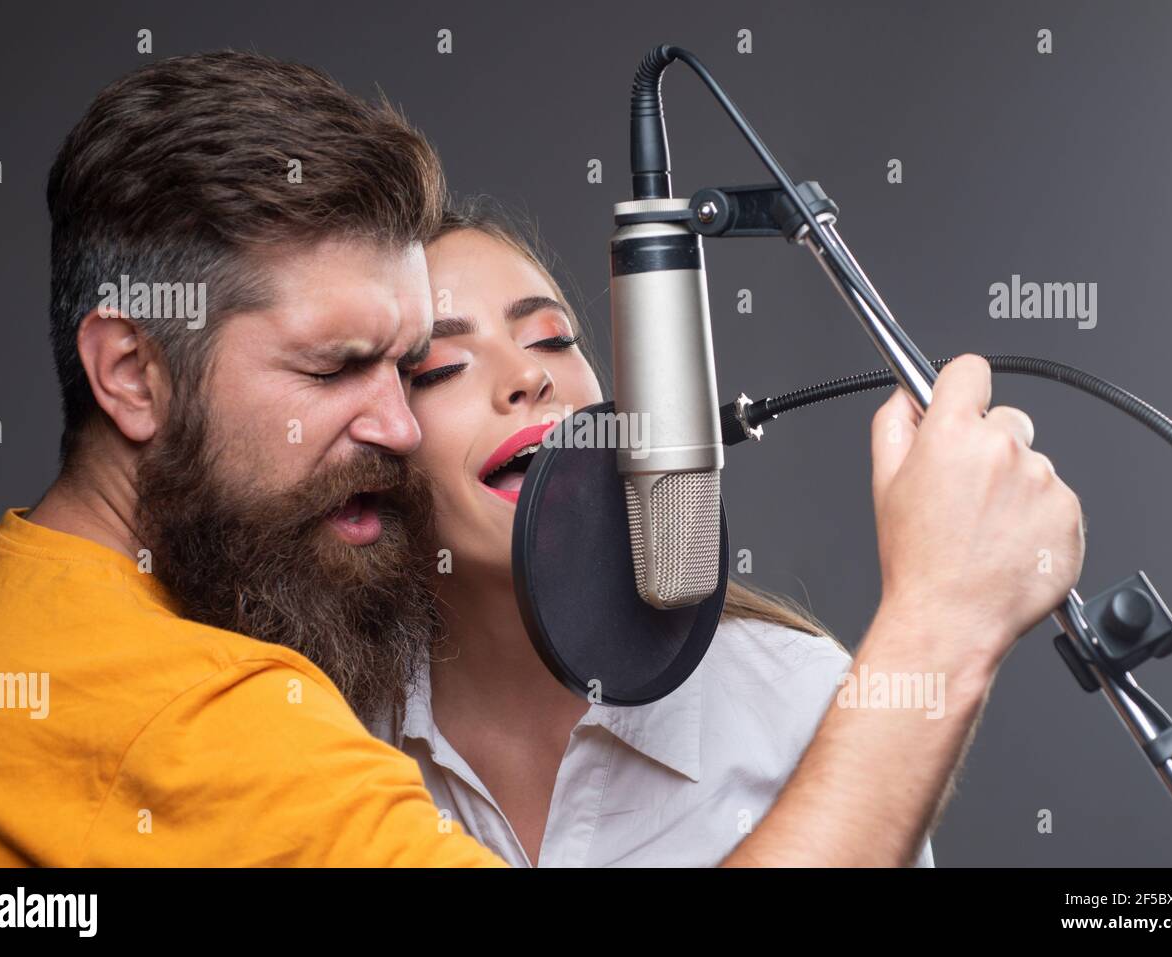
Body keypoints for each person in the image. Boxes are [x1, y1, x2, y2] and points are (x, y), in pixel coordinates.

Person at [0, 51, 1084, 867]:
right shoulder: (244, 719)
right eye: (349, 366)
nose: (391, 425)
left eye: (551, 338)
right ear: (132, 375)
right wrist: (942, 619)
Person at [373, 199, 938, 867]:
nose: (530, 376)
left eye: (552, 338)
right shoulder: (331, 728)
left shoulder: (802, 699)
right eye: (440, 368)